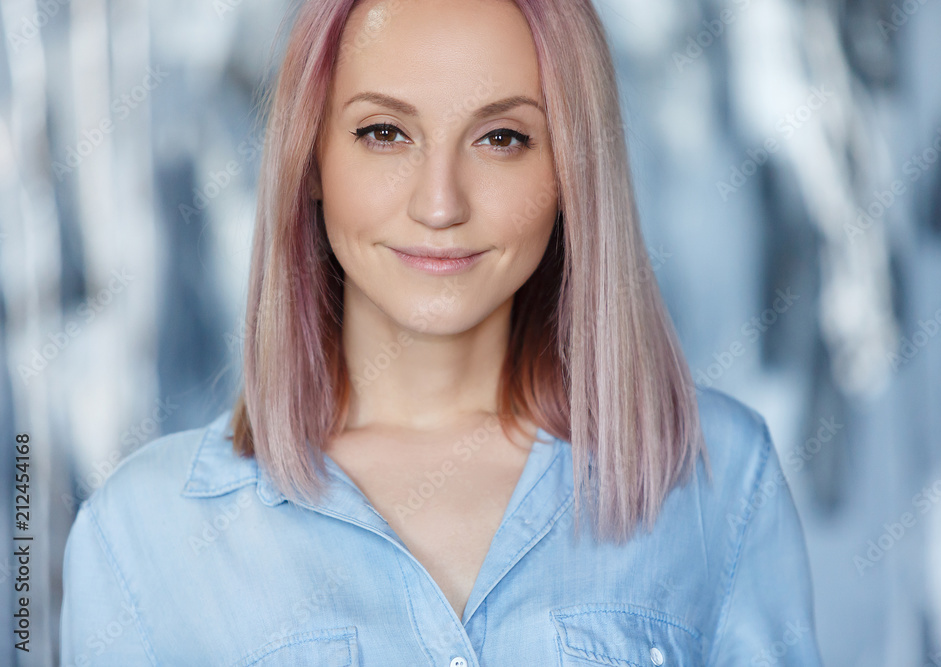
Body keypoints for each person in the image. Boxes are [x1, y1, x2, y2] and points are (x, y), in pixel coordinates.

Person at [59, 0, 824, 664]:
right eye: (386, 132)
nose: (439, 204)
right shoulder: (141, 535)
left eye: (502, 138)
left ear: (571, 173)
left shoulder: (717, 479)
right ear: (313, 158)